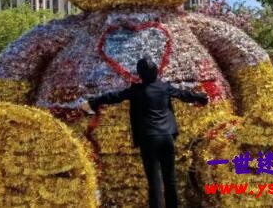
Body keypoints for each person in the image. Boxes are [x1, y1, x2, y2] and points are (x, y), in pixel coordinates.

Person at [79, 56, 209, 208]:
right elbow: (184, 95)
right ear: (156, 72)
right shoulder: (164, 87)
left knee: (154, 182)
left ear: (140, 75)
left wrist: (92, 102)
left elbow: (114, 97)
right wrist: (202, 98)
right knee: (170, 180)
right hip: (166, 137)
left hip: (149, 139)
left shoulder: (136, 91)